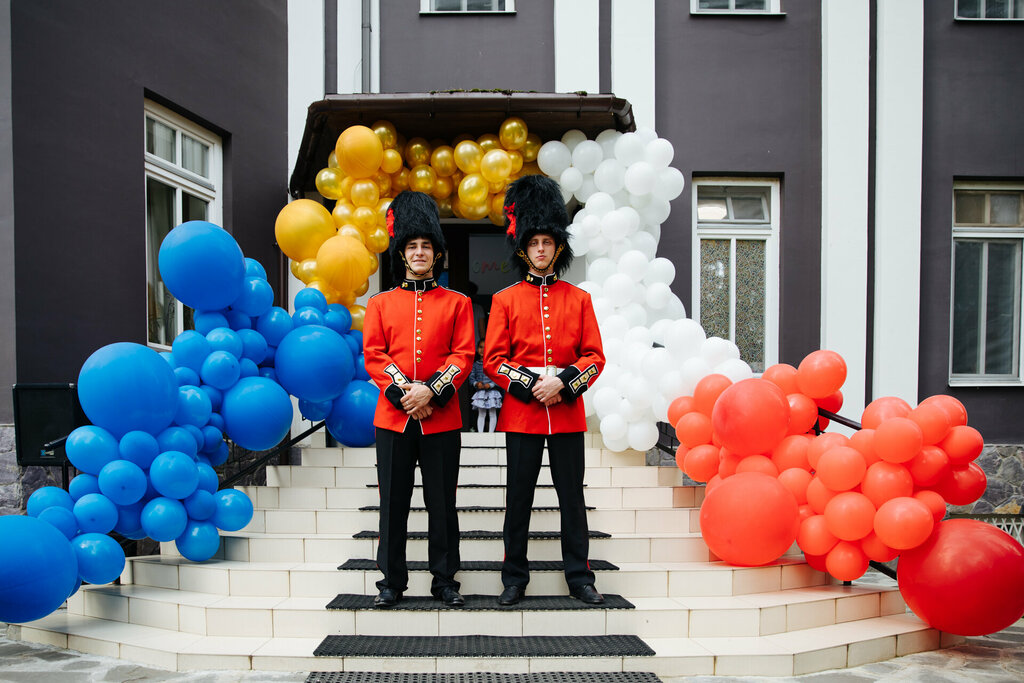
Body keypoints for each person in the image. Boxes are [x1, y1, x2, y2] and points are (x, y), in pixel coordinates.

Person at [483, 175, 606, 606]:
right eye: (533, 242)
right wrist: (535, 384)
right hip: (523, 414)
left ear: (558, 247)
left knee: (572, 499)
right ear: (525, 248)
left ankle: (580, 577)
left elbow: (594, 357)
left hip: (567, 414)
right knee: (518, 500)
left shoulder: (579, 299)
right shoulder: (505, 300)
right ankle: (514, 577)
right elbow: (493, 360)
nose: (540, 249)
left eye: (547, 242)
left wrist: (565, 383)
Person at [362, 190, 475, 608]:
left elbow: (463, 354)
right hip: (393, 419)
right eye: (413, 246)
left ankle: (445, 580)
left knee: (442, 504)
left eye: (427, 245)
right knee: (393, 504)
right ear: (402, 252)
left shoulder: (459, 303)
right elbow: (375, 354)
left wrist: (432, 390)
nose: (421, 252)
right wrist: (406, 393)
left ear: (437, 253)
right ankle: (391, 582)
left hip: (441, 420)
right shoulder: (379, 303)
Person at [469, 340, 502, 432]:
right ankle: (480, 433)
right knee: (481, 413)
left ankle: (491, 433)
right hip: (481, 393)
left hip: (492, 392)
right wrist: (476, 383)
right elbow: (471, 378)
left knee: (492, 412)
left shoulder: (493, 364)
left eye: (485, 347)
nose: (482, 350)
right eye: (480, 347)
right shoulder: (475, 365)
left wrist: (490, 385)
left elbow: (498, 378)